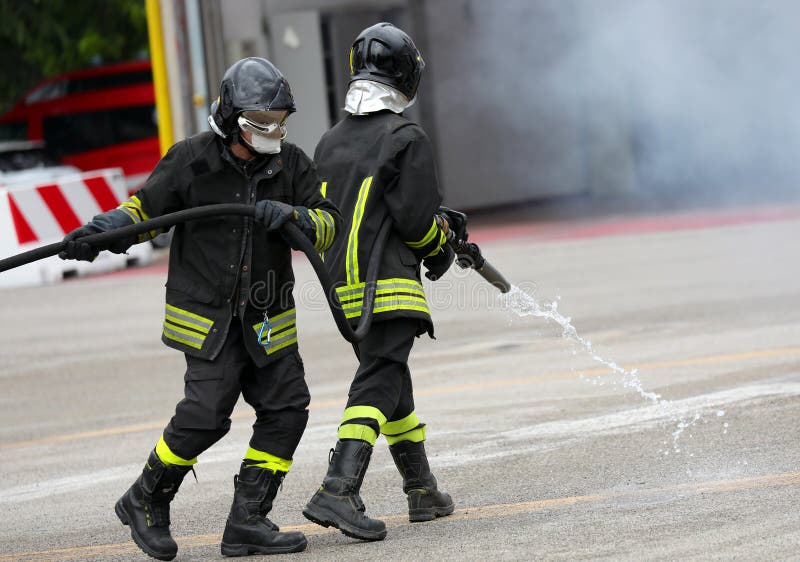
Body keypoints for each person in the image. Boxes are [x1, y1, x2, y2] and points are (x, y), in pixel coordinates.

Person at [59, 57, 341, 560]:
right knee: (206, 415)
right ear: (233, 117)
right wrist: (103, 232)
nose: (274, 131)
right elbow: (144, 212)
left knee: (286, 410)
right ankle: (146, 497)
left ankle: (248, 521)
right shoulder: (190, 160)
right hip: (207, 317)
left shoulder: (292, 164)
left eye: (280, 121)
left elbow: (328, 224)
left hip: (267, 318)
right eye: (263, 122)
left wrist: (294, 215)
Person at [301, 23, 455, 542]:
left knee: (391, 379)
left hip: (344, 287)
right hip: (389, 284)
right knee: (381, 378)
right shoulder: (405, 136)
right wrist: (443, 246)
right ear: (405, 74)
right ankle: (338, 488)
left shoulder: (329, 141)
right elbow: (415, 222)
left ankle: (421, 489)